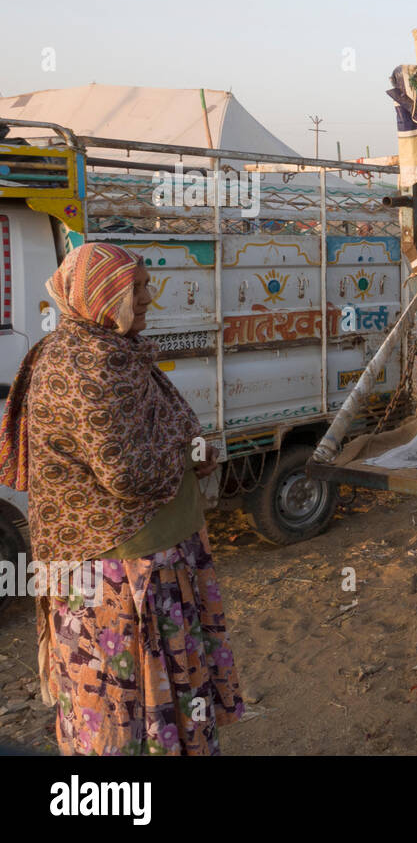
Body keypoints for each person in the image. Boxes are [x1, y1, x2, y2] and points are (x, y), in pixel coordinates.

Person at [0, 242, 243, 754]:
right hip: (117, 574)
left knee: (160, 692)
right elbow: (128, 473)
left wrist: (189, 448)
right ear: (100, 295)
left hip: (150, 557)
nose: (149, 297)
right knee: (126, 699)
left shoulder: (115, 352)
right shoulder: (84, 367)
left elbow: (160, 434)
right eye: (135, 288)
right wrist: (186, 451)